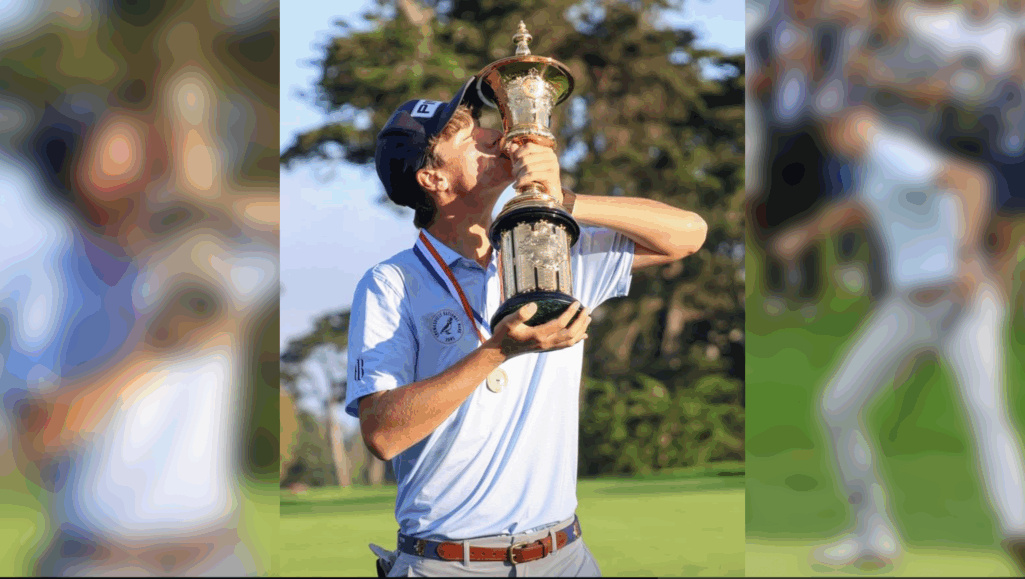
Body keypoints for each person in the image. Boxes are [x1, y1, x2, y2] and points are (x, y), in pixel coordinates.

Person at [344, 77, 708, 577]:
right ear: (433, 178)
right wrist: (497, 351)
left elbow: (688, 235)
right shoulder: (391, 283)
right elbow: (382, 434)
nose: (494, 137)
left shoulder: (553, 247)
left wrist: (566, 199)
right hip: (448, 564)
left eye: (482, 125)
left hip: (565, 556)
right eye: (465, 135)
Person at [770, 106, 1025, 573]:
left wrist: (967, 254)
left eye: (838, 126)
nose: (834, 138)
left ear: (859, 120)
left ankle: (1019, 528)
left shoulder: (891, 152)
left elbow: (971, 181)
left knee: (984, 412)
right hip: (910, 306)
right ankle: (873, 536)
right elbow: (859, 208)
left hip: (959, 300)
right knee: (838, 405)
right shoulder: (874, 166)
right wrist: (805, 234)